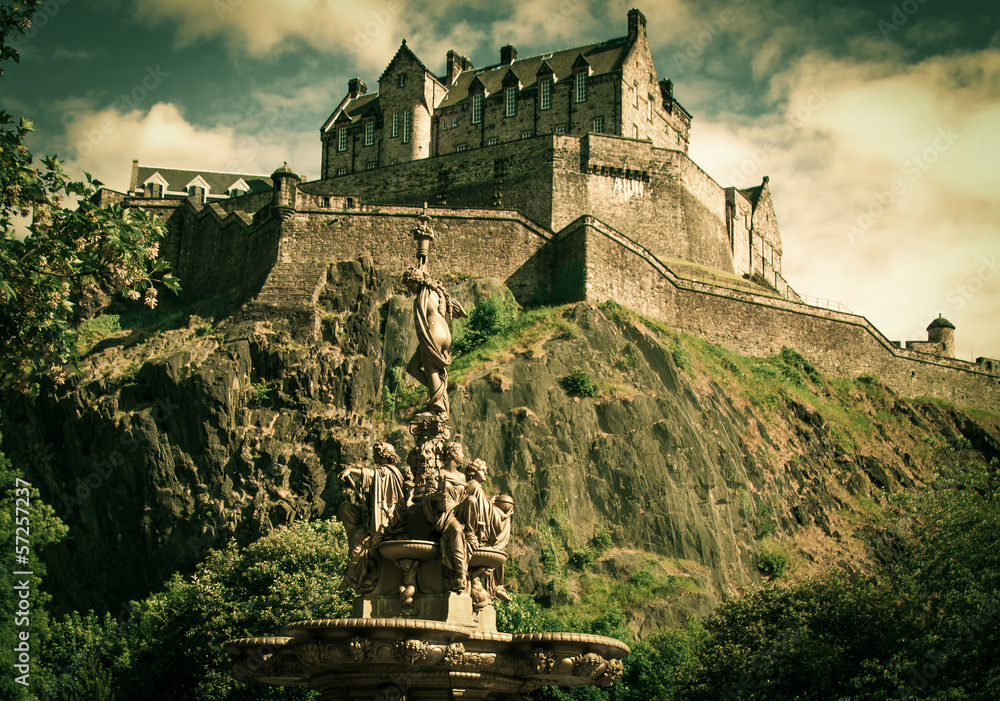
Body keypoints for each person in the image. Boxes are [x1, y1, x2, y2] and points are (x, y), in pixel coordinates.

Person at [337, 441, 406, 592]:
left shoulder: (388, 471)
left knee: (357, 538)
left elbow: (373, 475)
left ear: (383, 454)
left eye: (376, 452)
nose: (374, 455)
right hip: (373, 512)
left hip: (385, 519)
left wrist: (350, 470)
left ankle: (352, 577)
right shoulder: (385, 470)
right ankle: (360, 540)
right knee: (346, 508)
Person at [403, 267, 466, 418]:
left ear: (418, 280)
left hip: (433, 332)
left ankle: (437, 406)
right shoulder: (438, 293)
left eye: (411, 284)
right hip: (444, 333)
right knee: (412, 367)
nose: (410, 289)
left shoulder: (424, 294)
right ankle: (439, 393)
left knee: (430, 368)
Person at [456, 459, 513, 603]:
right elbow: (486, 514)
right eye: (482, 470)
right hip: (477, 532)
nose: (486, 473)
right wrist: (504, 515)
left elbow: (484, 509)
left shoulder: (473, 487)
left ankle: (497, 586)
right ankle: (497, 586)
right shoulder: (476, 487)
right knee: (504, 523)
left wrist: (490, 503)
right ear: (473, 473)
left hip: (472, 528)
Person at [423, 441, 468, 592]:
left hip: (461, 511)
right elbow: (427, 497)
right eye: (461, 452)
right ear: (453, 454)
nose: (463, 456)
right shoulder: (437, 475)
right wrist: (437, 498)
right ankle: (461, 574)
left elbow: (465, 497)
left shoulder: (462, 477)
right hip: (446, 513)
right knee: (456, 530)